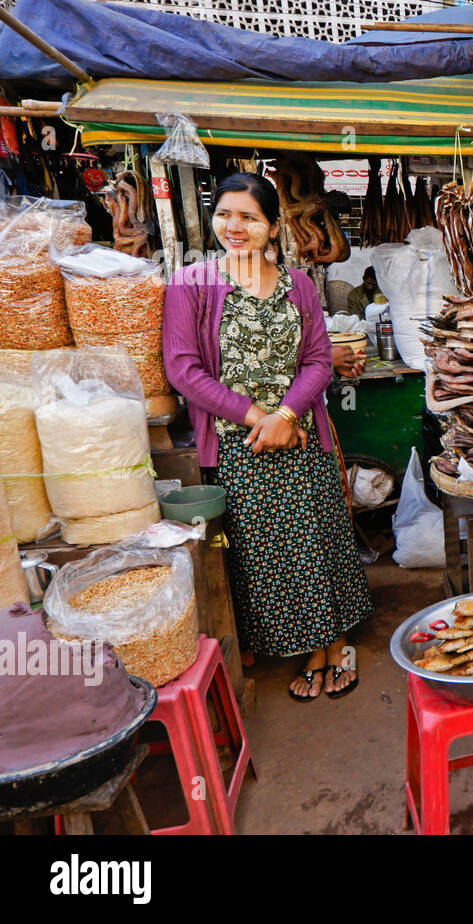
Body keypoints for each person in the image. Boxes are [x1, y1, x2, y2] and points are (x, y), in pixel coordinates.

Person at [162, 172, 374, 701]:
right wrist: (261, 418)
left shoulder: (298, 284)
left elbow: (319, 360)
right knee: (269, 551)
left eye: (249, 217)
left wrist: (288, 414)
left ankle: (336, 640)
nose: (234, 226)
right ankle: (308, 645)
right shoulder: (191, 284)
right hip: (241, 444)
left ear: (273, 226)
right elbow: (184, 370)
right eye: (224, 215)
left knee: (320, 537)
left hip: (302, 433)